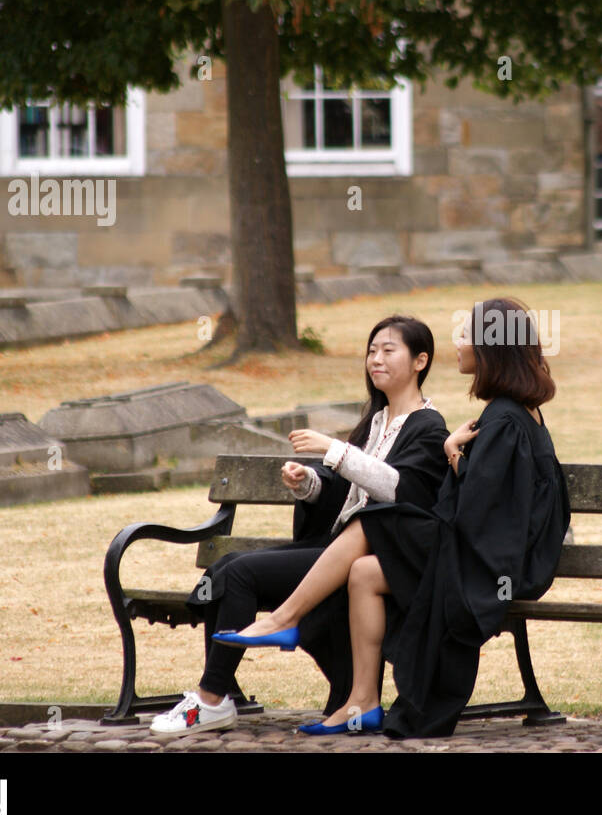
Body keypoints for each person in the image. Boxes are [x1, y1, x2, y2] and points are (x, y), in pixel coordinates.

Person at [216, 296, 570, 738]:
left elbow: (480, 514)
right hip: (484, 549)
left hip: (489, 564)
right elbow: (493, 499)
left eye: (466, 335)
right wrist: (454, 456)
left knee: (375, 522)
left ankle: (286, 618)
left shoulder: (504, 419)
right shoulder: (510, 414)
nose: (457, 343)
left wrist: (449, 454)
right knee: (364, 570)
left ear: (490, 347)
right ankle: (361, 702)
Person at [148, 315, 449, 735]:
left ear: (420, 361)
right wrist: (309, 485)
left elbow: (400, 492)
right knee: (227, 568)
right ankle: (219, 693)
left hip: (382, 561)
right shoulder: (376, 422)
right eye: (371, 350)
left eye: (388, 350)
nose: (375, 359)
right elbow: (348, 498)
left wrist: (334, 449)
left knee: (240, 574)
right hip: (341, 549)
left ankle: (211, 701)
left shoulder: (428, 426)